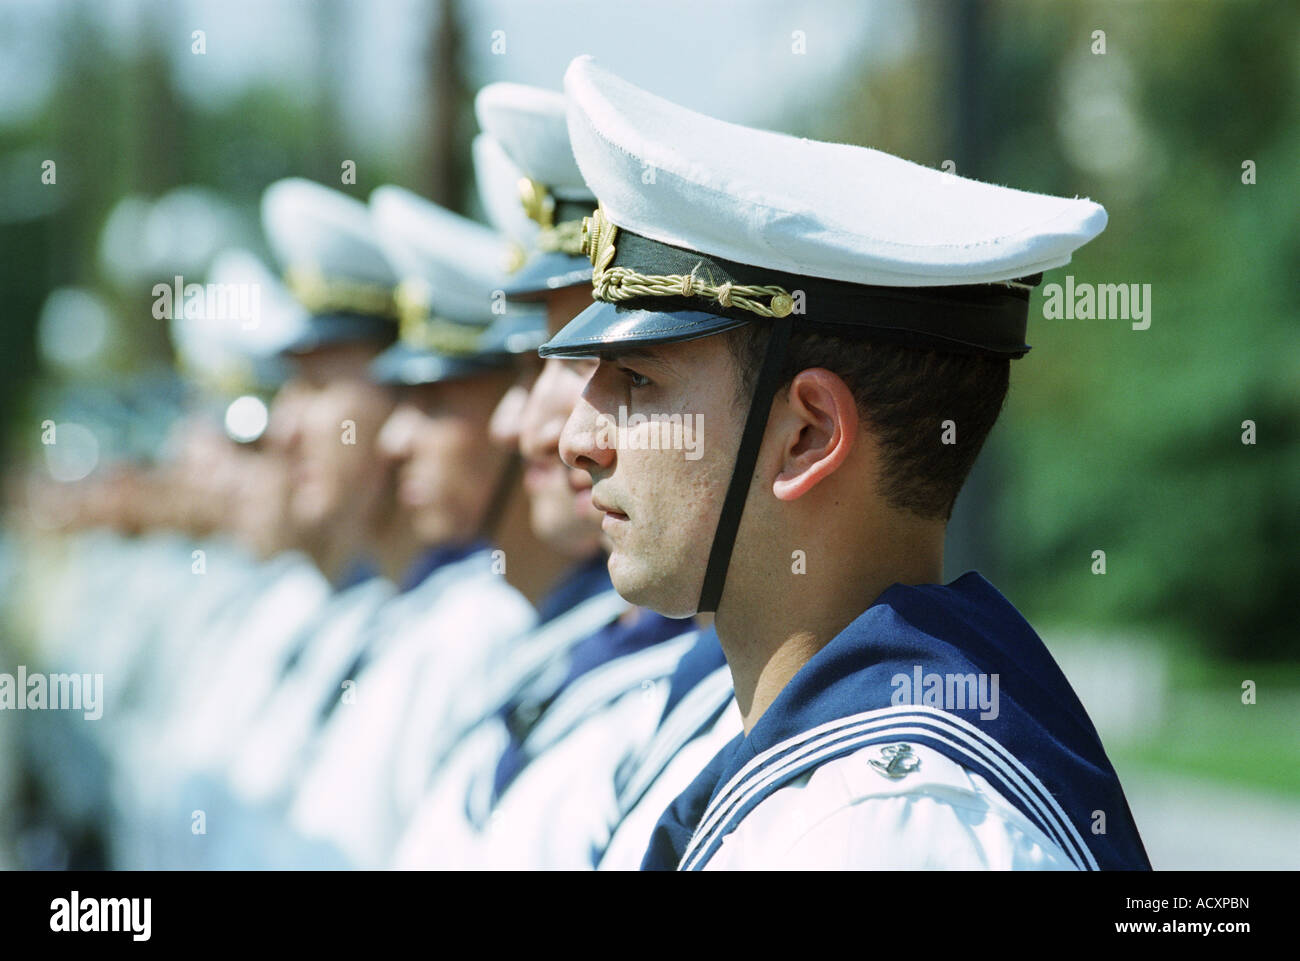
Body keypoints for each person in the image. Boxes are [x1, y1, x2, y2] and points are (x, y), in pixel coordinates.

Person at [543, 56, 1152, 871]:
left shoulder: (881, 834)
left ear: (807, 436)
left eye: (639, 382)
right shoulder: (832, 780)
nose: (577, 439)